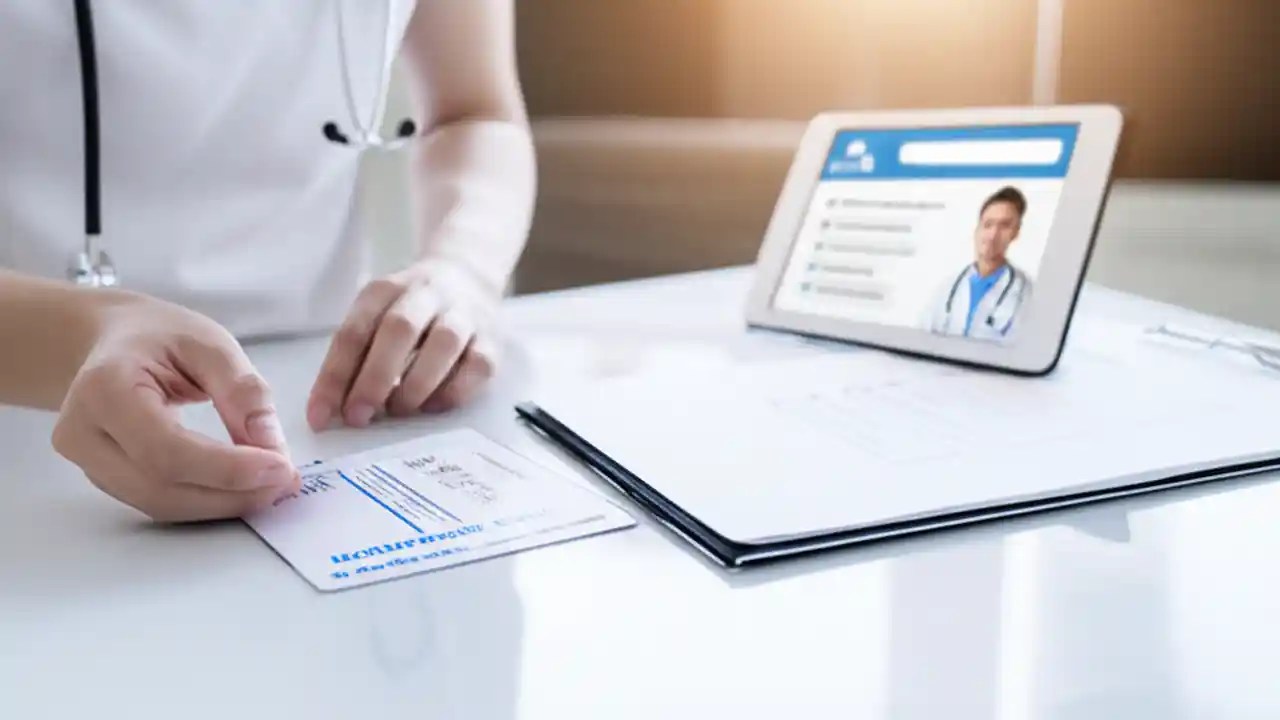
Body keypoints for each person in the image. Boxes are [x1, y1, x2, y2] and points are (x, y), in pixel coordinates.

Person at [0, 1, 535, 521]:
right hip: (29, 424)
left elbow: (474, 112)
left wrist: (463, 270)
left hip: (333, 401)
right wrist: (82, 333)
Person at [926, 186, 1033, 340]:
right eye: (988, 224)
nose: (993, 235)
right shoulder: (947, 288)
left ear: (1016, 232)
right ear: (977, 229)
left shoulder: (1026, 293)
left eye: (1004, 226)